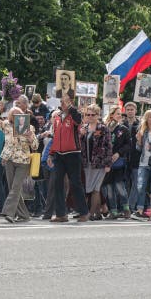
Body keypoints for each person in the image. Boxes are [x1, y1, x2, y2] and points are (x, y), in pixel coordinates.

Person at [48, 91, 88, 222]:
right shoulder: (58, 117)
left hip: (73, 154)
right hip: (59, 155)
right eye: (61, 101)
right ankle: (61, 214)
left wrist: (70, 106)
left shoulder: (74, 114)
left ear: (70, 102)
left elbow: (78, 119)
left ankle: (83, 212)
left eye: (64, 101)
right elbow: (56, 137)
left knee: (75, 183)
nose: (62, 103)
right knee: (57, 183)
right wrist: (51, 153)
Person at [0, 103, 37, 223]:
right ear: (10, 116)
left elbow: (35, 145)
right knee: (13, 188)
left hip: (23, 161)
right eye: (13, 114)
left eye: (18, 114)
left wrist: (30, 137)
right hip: (9, 160)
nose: (15, 116)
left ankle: (8, 212)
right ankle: (24, 215)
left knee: (16, 187)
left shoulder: (29, 127)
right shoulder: (6, 125)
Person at [80, 104, 112, 221]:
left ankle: (90, 213)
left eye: (93, 115)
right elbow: (79, 145)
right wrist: (81, 135)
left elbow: (108, 146)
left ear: (98, 115)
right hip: (87, 163)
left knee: (95, 189)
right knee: (89, 188)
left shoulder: (103, 128)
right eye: (88, 114)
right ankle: (97, 213)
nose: (90, 117)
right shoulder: (84, 128)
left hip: (100, 163)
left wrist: (108, 164)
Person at [102, 106, 130, 219]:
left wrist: (118, 153)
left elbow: (128, 145)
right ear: (112, 115)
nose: (119, 115)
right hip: (107, 163)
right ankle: (113, 211)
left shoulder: (124, 129)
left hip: (119, 162)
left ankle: (126, 209)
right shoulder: (105, 128)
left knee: (119, 187)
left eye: (120, 114)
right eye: (117, 113)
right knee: (108, 189)